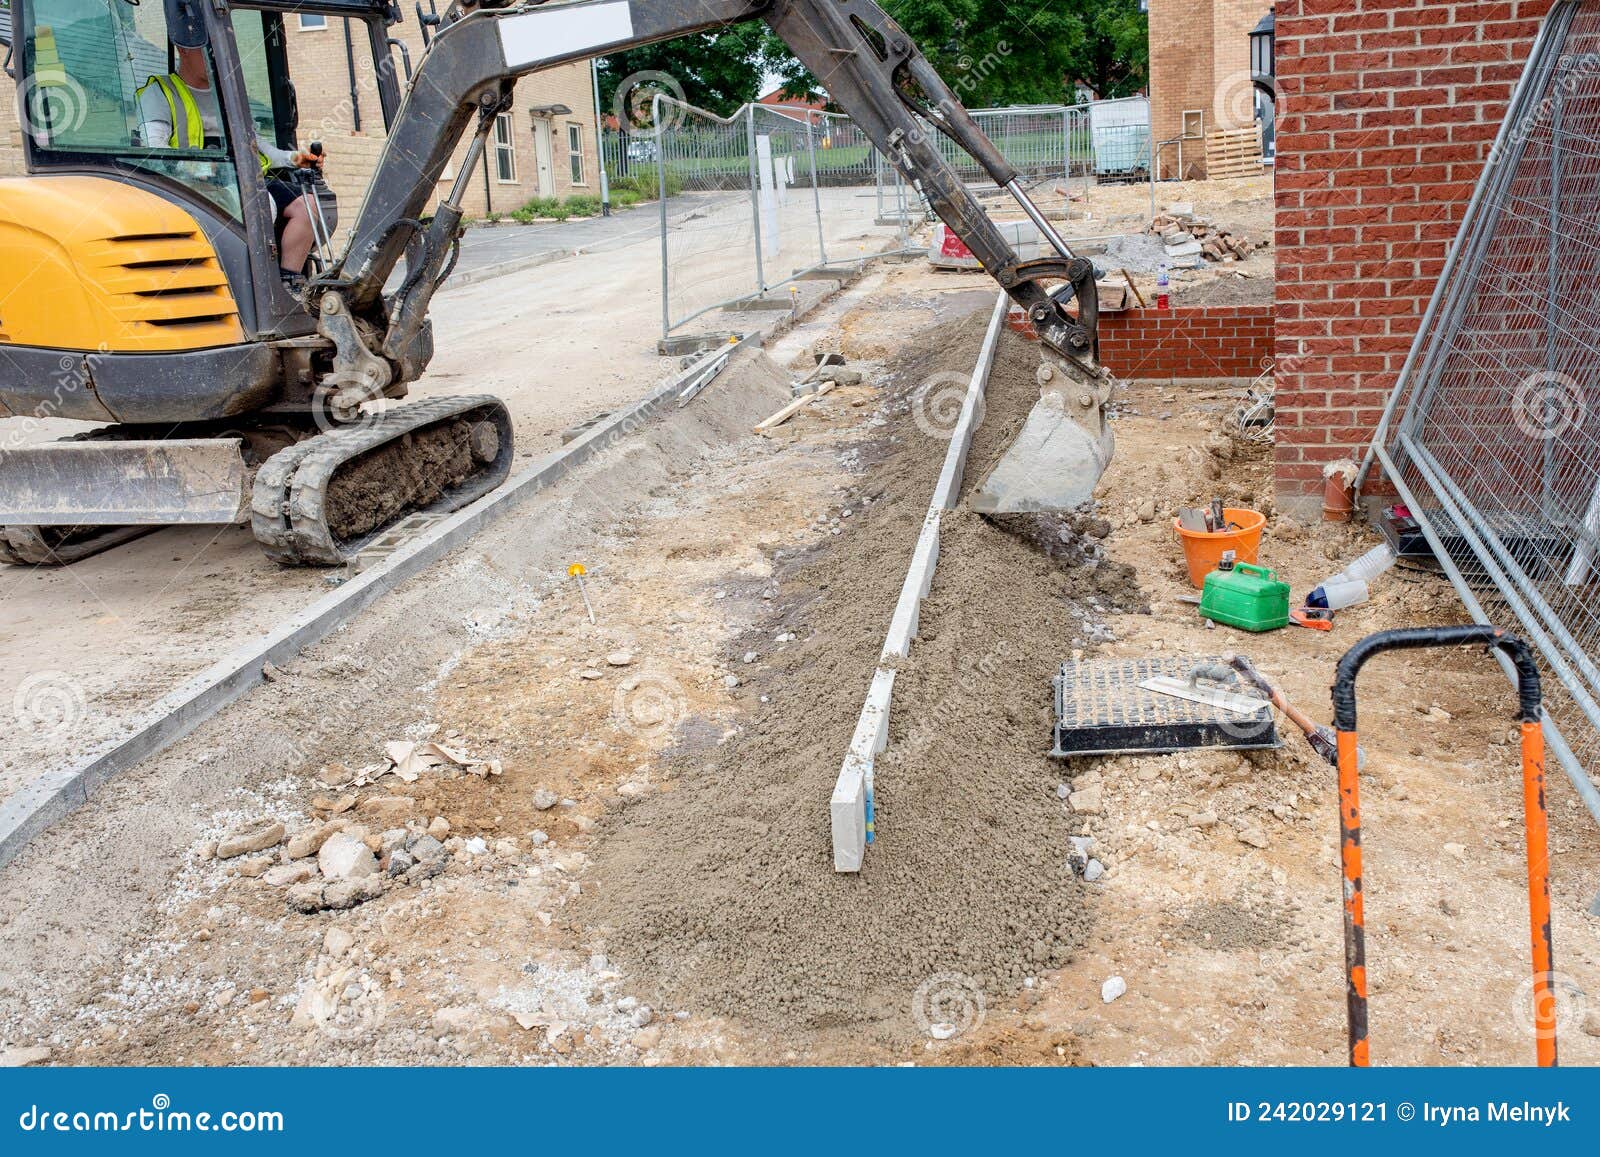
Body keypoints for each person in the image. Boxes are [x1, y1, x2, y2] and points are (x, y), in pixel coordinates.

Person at [137, 44, 329, 286]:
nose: (214, 57)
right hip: (188, 184)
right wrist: (198, 169)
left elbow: (258, 146)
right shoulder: (160, 93)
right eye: (205, 50)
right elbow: (155, 150)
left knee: (307, 207)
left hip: (242, 178)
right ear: (183, 49)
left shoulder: (228, 94)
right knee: (261, 203)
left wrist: (297, 159)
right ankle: (248, 284)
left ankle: (287, 282)